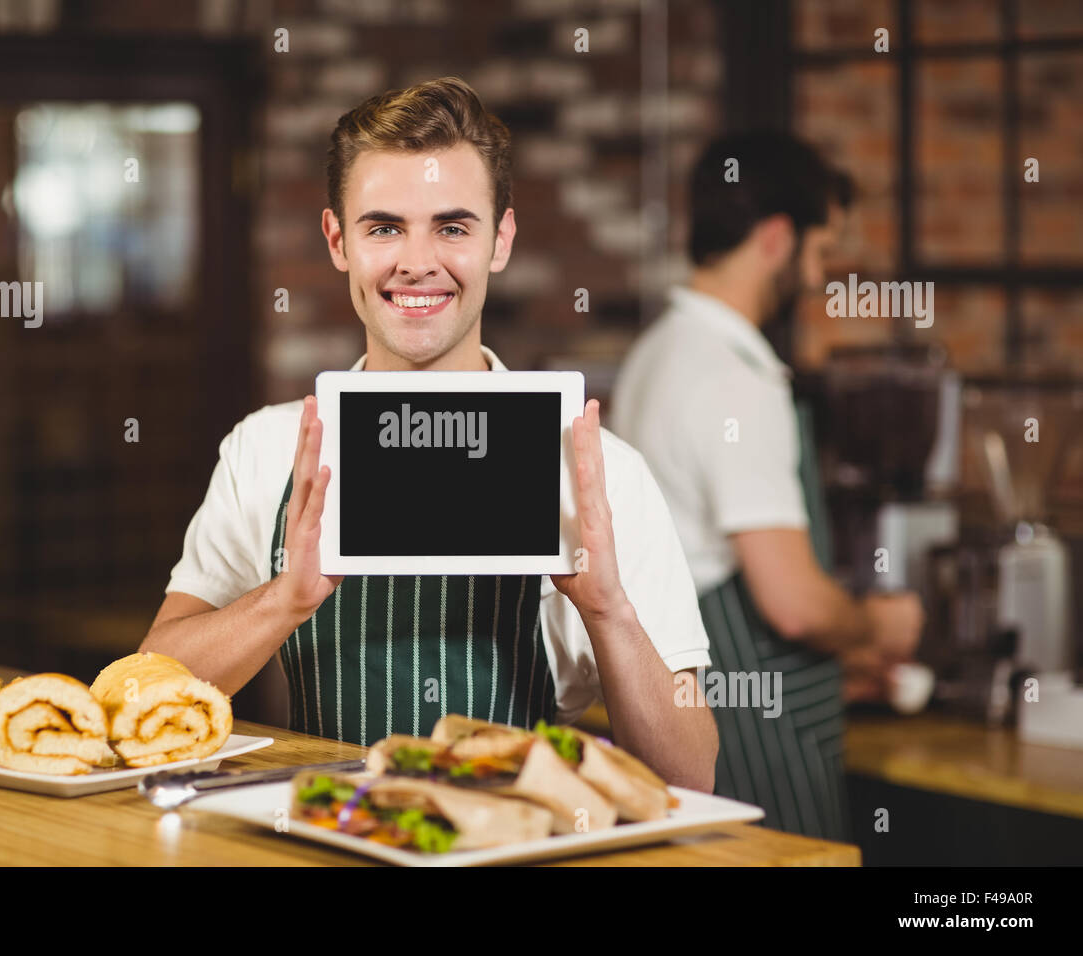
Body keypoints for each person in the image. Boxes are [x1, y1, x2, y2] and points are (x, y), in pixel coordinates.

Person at [140, 77, 718, 789]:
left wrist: (608, 612)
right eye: (384, 227)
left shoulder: (601, 471)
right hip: (327, 838)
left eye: (452, 226)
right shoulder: (265, 452)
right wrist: (282, 600)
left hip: (519, 844)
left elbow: (691, 776)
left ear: (500, 240)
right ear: (337, 240)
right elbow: (148, 692)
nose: (417, 262)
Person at [610, 130, 924, 839]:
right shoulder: (734, 378)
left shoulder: (658, 352)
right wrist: (881, 625)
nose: (818, 278)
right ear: (779, 238)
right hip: (757, 743)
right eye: (820, 251)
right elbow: (792, 605)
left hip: (692, 708)